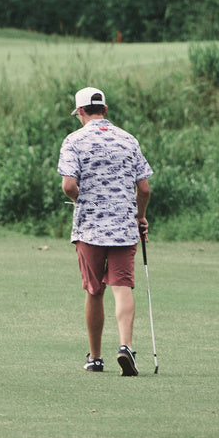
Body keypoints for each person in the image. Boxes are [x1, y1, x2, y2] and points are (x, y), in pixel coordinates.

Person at [57, 86, 153, 375]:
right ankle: (125, 347)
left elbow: (68, 185)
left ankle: (95, 357)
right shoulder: (128, 139)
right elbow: (144, 188)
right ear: (105, 110)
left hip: (89, 227)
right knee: (122, 287)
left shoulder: (74, 140)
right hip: (124, 224)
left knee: (94, 289)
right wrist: (140, 217)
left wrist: (82, 202)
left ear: (81, 112)